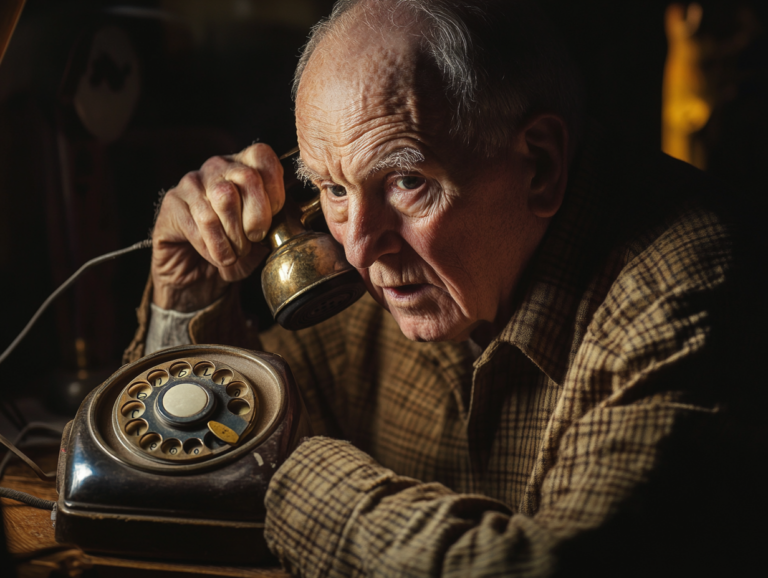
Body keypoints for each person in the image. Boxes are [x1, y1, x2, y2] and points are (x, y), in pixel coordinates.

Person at [124, 0, 766, 576]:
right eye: (334, 189)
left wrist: (280, 477)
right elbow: (179, 460)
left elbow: (558, 566)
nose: (360, 248)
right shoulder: (394, 284)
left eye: (406, 181)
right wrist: (187, 298)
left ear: (539, 164)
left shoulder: (693, 284)